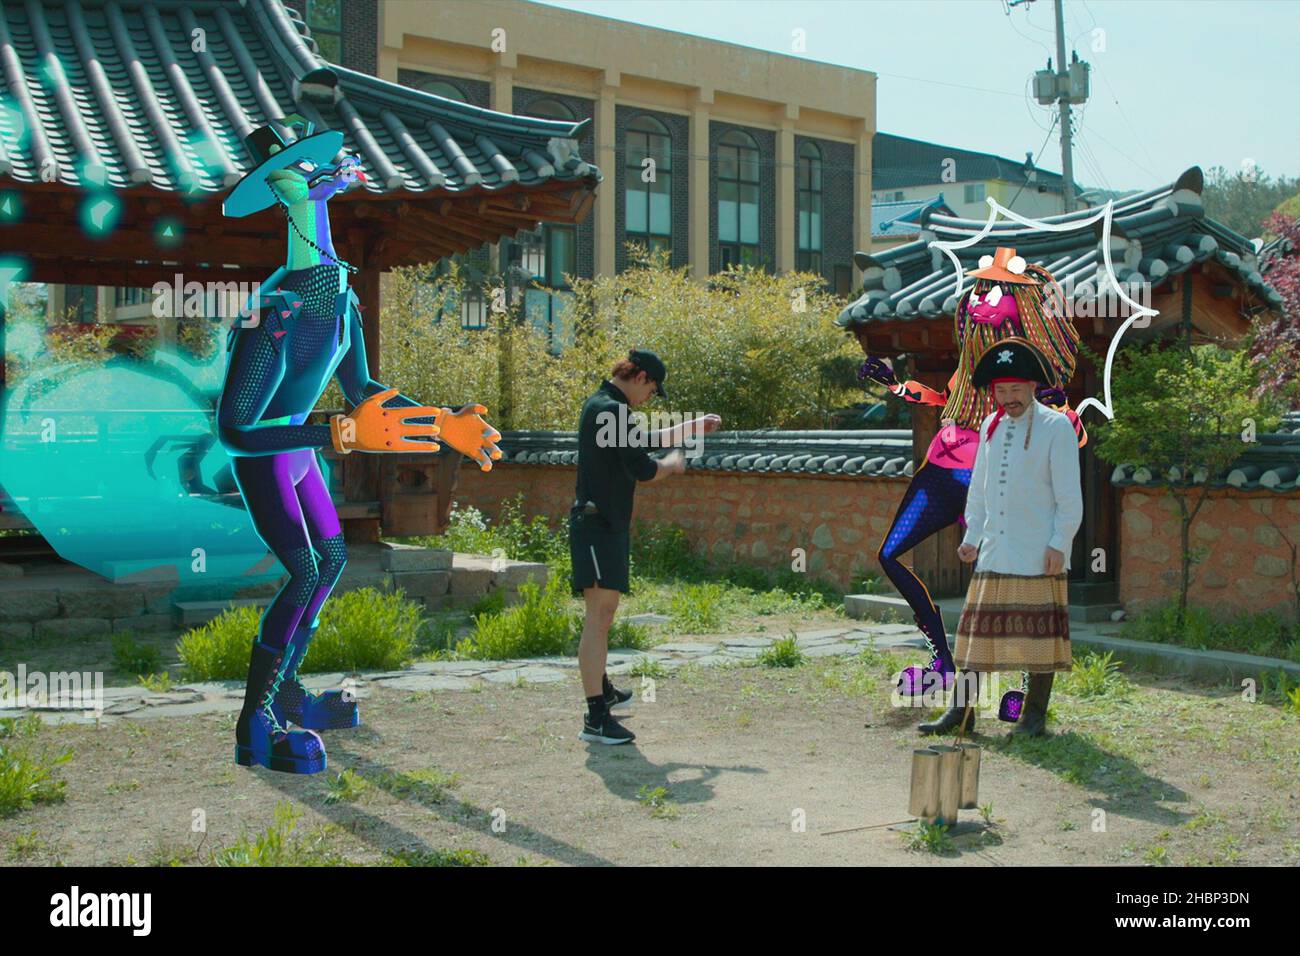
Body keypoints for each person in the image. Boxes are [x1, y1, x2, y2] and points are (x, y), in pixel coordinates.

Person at [919, 337, 1083, 737]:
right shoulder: (991, 425)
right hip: (995, 549)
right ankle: (962, 714)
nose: (1008, 398)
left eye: (1015, 390)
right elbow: (980, 488)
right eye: (1001, 391)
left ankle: (1034, 718)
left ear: (1032, 387)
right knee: (976, 639)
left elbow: (1070, 496)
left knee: (1039, 639)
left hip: (1039, 549)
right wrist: (973, 534)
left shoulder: (1056, 426)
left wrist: (1059, 543)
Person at [571, 349, 721, 744]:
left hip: (604, 525)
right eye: (652, 390)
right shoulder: (611, 410)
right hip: (597, 525)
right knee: (598, 616)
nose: (649, 398)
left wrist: (689, 427)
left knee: (604, 613)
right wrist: (672, 465)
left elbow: (642, 440)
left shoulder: (606, 407)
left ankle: (600, 691)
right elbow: (644, 467)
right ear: (639, 377)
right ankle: (596, 718)